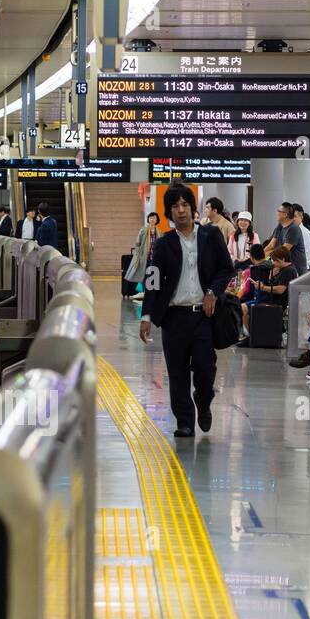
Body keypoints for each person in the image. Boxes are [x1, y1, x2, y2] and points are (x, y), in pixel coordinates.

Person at [138, 184, 235, 438]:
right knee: (177, 372)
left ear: (193, 208)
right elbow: (153, 280)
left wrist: (213, 292)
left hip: (204, 316)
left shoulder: (211, 236)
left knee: (205, 368)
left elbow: (226, 269)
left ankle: (203, 402)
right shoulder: (163, 244)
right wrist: (146, 316)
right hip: (174, 318)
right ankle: (184, 422)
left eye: (184, 205)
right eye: (175, 206)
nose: (181, 211)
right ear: (169, 212)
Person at [125, 211, 160, 301]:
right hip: (145, 256)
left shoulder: (158, 231)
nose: (152, 219)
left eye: (154, 218)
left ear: (157, 220)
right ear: (148, 219)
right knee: (144, 275)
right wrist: (138, 254)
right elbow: (138, 242)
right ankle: (145, 292)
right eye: (151, 217)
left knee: (152, 274)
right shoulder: (144, 229)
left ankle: (151, 293)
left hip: (155, 256)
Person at [265, 202, 307, 274]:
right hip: (283, 266)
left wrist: (263, 258)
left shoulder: (293, 229)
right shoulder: (280, 226)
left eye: (279, 211)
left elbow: (283, 251)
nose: (276, 213)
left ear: (285, 215)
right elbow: (271, 245)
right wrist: (260, 256)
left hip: (295, 269)